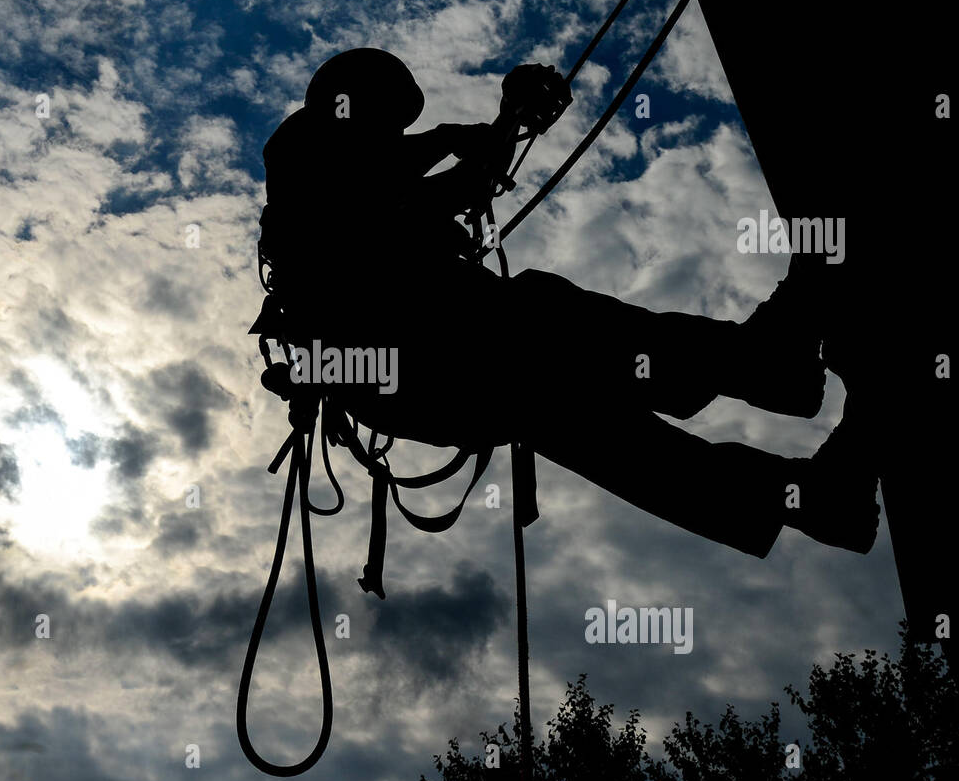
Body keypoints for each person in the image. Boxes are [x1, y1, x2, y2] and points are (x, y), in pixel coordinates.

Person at [256, 48, 879, 558]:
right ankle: (767, 364)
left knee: (585, 421)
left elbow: (434, 184)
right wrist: (476, 130)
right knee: (544, 318)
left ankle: (812, 495)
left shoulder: (348, 174)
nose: (396, 133)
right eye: (387, 117)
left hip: (434, 368)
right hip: (409, 364)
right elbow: (417, 188)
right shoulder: (307, 151)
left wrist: (500, 125)